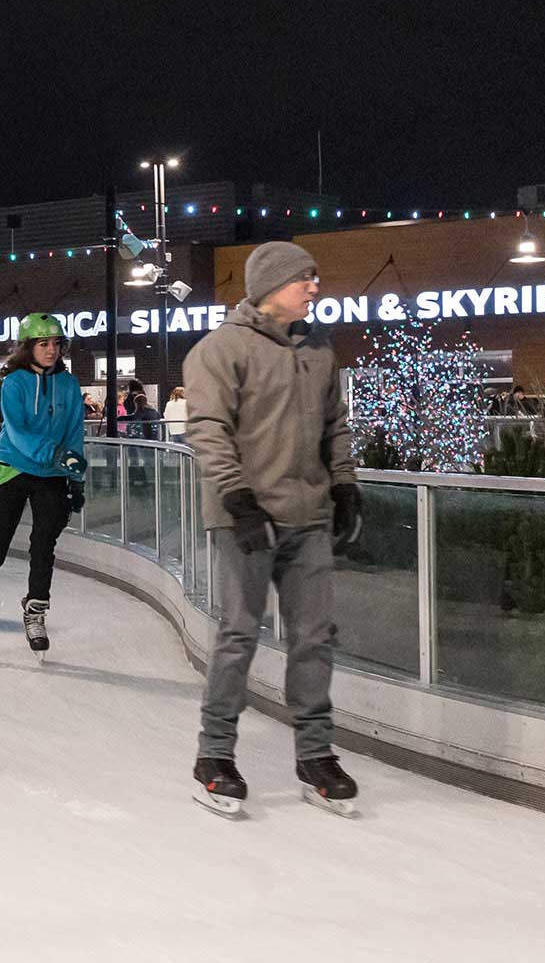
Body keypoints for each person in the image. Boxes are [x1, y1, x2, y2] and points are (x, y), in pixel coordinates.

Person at [184, 240, 361, 818]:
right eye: (303, 278)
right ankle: (214, 755)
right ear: (270, 286)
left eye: (315, 276)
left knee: (315, 636)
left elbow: (336, 424)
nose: (315, 286)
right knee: (239, 632)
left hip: (309, 516)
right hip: (247, 516)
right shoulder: (221, 349)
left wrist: (344, 483)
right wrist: (236, 497)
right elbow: (208, 428)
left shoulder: (319, 348)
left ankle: (315, 756)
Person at [0, 314, 86, 659]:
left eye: (56, 343)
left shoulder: (69, 385)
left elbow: (75, 433)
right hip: (12, 469)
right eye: (43, 344)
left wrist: (76, 479)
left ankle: (36, 611)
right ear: (28, 347)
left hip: (51, 474)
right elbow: (16, 432)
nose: (51, 350)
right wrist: (53, 452)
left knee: (44, 546)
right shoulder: (13, 384)